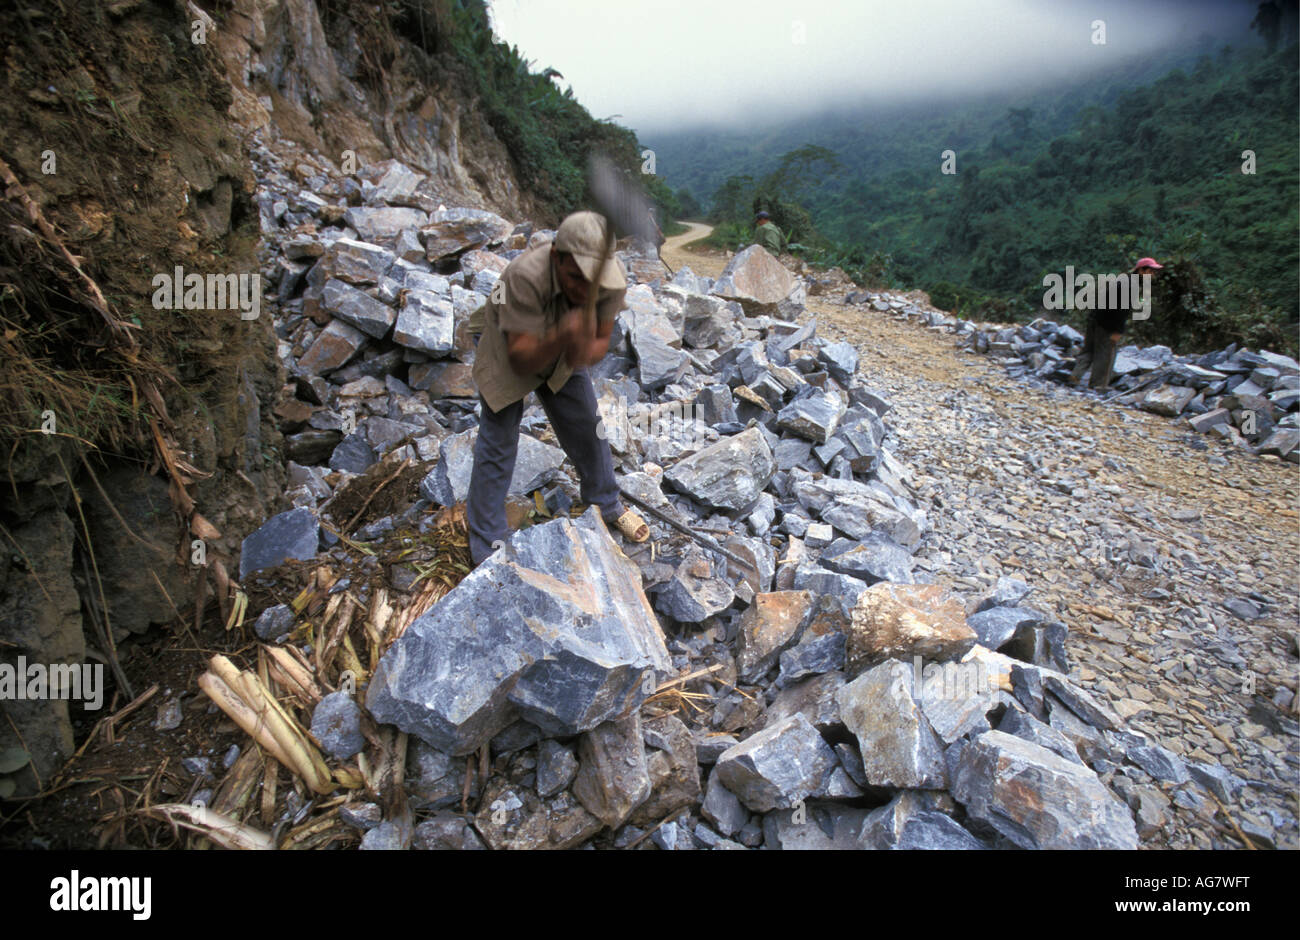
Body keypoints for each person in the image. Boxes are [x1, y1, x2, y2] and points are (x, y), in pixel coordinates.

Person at [465, 211, 649, 565]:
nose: (585, 290)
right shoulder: (523, 278)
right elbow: (522, 361)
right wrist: (564, 333)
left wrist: (576, 341)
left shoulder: (611, 281)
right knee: (499, 439)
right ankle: (487, 543)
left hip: (561, 342)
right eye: (575, 277)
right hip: (509, 345)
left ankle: (605, 502)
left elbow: (596, 348)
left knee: (586, 423)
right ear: (555, 256)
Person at [1069, 256, 1164, 392]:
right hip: (1107, 323)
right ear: (1141, 271)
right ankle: (1098, 385)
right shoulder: (1132, 285)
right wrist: (1118, 331)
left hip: (1095, 317)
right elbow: (1121, 310)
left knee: (1089, 349)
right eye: (1151, 271)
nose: (1153, 274)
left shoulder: (1123, 279)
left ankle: (1075, 375)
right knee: (1106, 354)